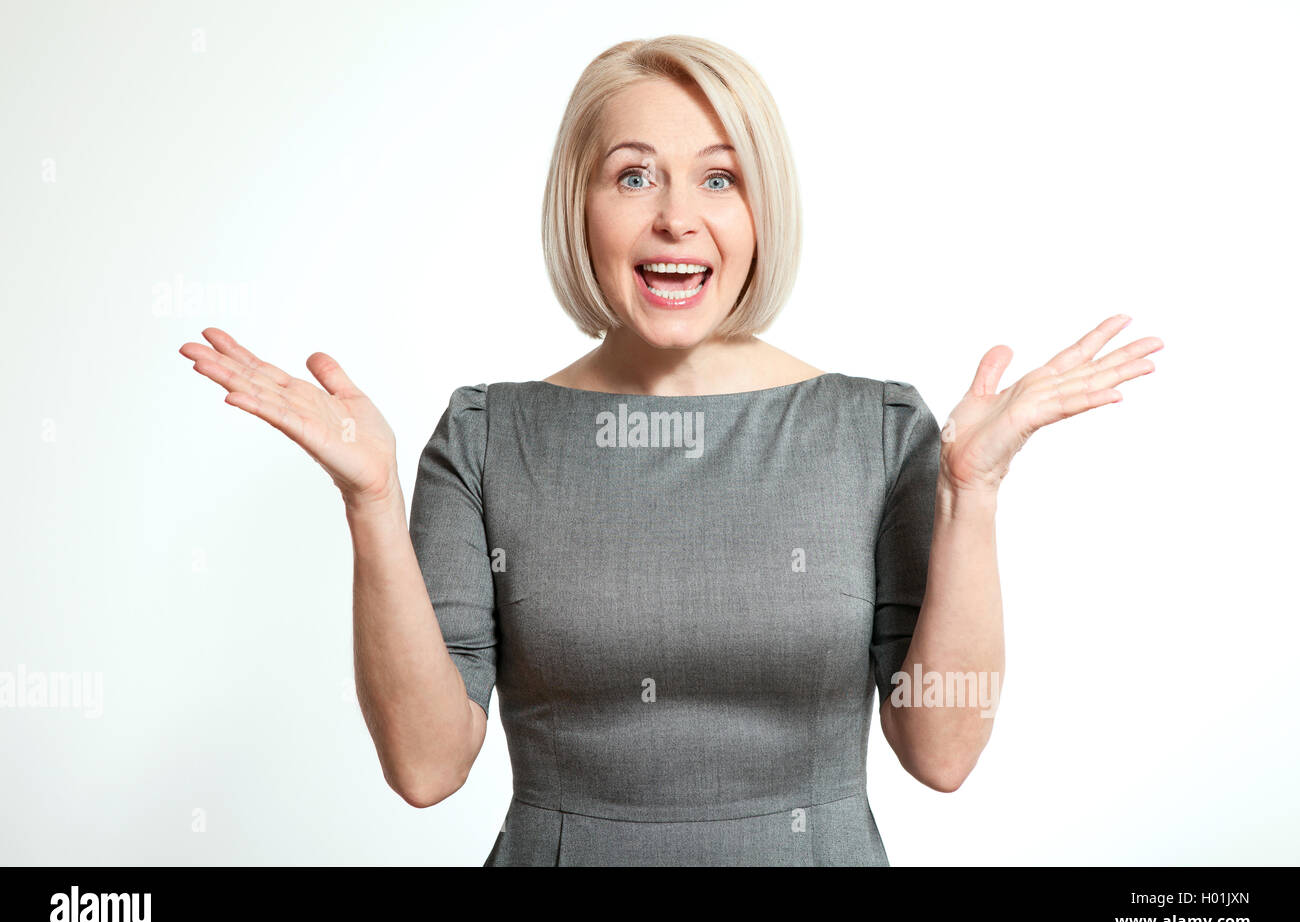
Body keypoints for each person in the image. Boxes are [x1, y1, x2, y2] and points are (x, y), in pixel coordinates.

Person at [179, 35, 1163, 866]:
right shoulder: (484, 436)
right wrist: (369, 500)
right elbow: (427, 767)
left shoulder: (877, 431)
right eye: (634, 173)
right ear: (582, 206)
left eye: (719, 176)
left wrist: (974, 491)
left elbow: (941, 751)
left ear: (758, 209)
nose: (675, 216)